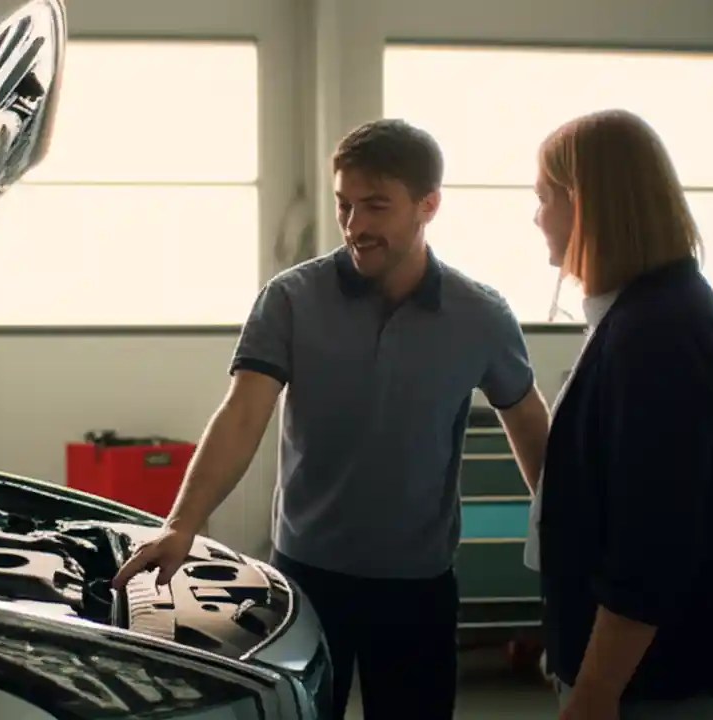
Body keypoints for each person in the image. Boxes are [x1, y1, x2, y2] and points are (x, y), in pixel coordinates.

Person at [112, 118, 552, 719]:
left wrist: (560, 529)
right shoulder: (291, 299)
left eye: (376, 206)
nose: (355, 226)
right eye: (345, 205)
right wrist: (182, 522)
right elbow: (243, 414)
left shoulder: (480, 314)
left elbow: (526, 418)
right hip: (307, 580)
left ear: (430, 204)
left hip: (417, 587)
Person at [526, 108, 713, 720]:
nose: (537, 216)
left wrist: (596, 692)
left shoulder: (658, 333)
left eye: (545, 197)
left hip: (655, 688)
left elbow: (651, 545)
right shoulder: (643, 312)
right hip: (643, 679)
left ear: (588, 203)